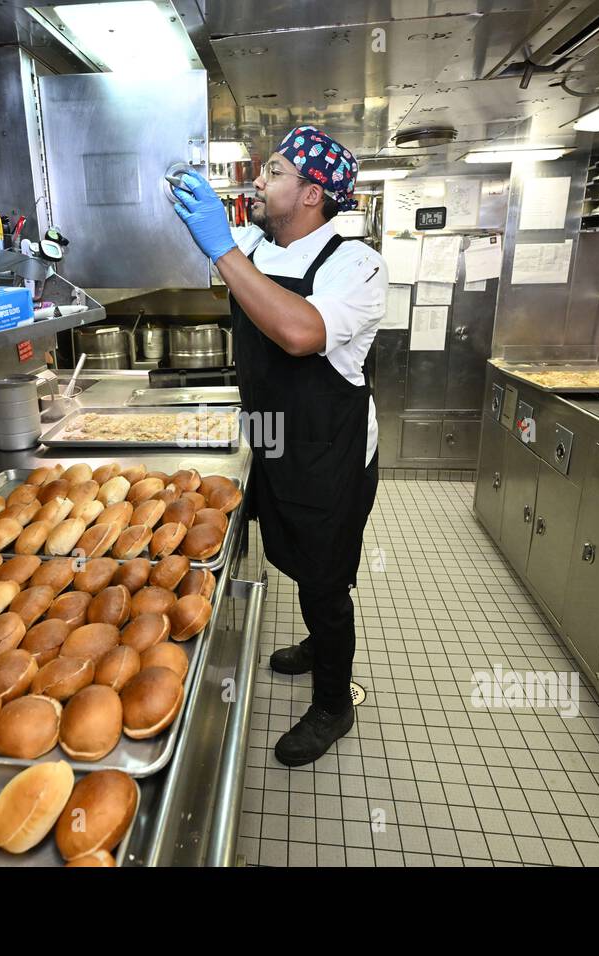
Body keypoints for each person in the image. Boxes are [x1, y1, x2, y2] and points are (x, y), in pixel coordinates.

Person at [171, 126, 386, 767]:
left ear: (313, 193)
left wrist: (219, 246)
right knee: (288, 548)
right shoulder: (257, 246)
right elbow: (227, 267)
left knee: (325, 579)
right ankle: (318, 645)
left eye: (274, 172)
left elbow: (298, 332)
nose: (257, 183)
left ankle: (332, 702)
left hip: (330, 450)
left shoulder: (356, 264)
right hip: (271, 440)